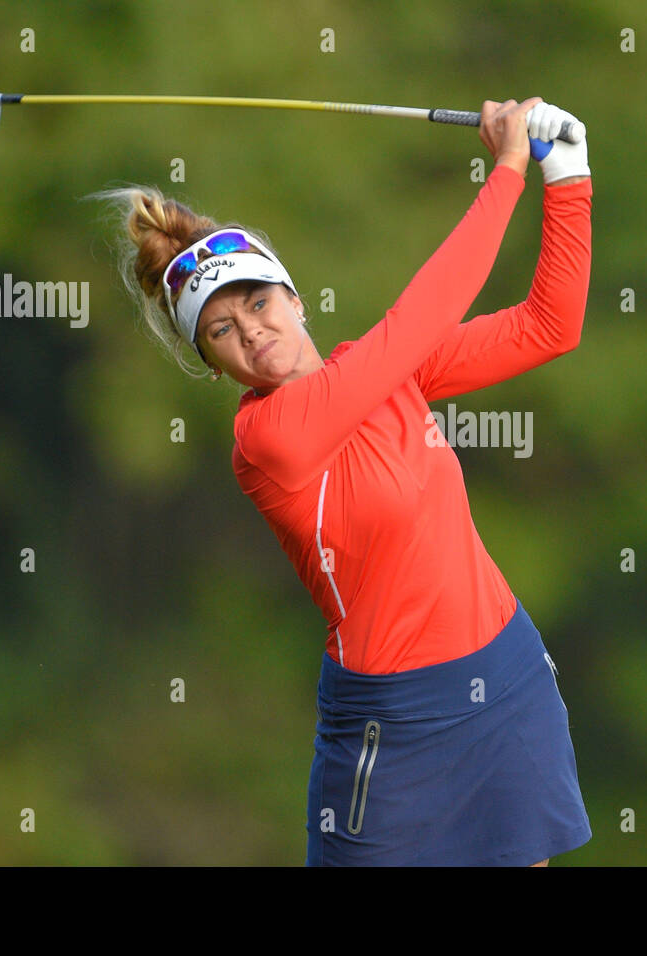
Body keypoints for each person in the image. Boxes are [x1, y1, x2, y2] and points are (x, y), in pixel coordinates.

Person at [98, 97, 592, 866]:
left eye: (259, 304)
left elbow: (548, 326)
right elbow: (423, 314)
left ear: (294, 299)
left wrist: (567, 173)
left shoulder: (386, 370)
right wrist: (504, 173)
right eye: (221, 331)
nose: (253, 333)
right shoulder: (265, 440)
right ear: (209, 361)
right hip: (392, 724)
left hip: (504, 678)